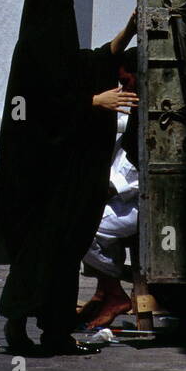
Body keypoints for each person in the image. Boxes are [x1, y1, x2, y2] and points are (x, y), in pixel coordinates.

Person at [0, 0, 138, 357]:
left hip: (59, 181)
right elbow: (38, 112)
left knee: (62, 254)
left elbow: (93, 62)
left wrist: (129, 30)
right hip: (33, 182)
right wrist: (92, 102)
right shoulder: (30, 54)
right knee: (38, 253)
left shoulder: (59, 56)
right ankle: (18, 322)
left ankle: (56, 332)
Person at [78, 50, 140, 328]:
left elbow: (123, 182)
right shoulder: (132, 114)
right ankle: (105, 291)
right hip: (123, 197)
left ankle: (115, 292)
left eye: (126, 82)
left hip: (136, 202)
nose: (122, 89)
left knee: (82, 227)